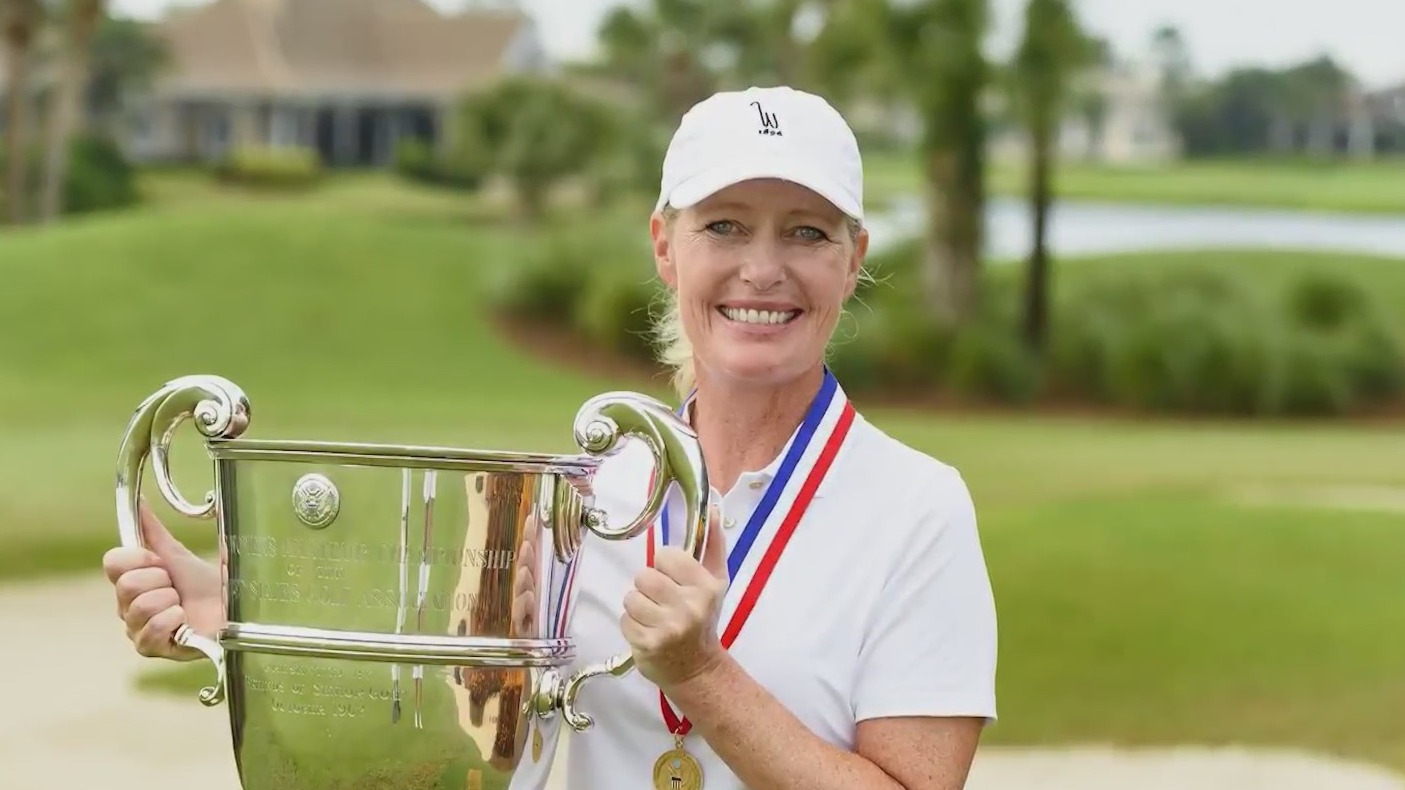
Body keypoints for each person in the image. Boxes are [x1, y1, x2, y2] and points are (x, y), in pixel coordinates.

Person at [103, 85, 998, 790]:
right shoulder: (593, 490)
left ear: (852, 257)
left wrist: (698, 672)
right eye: (723, 226)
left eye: (805, 233)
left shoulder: (917, 512)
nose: (762, 269)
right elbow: (438, 681)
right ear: (664, 245)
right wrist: (246, 620)